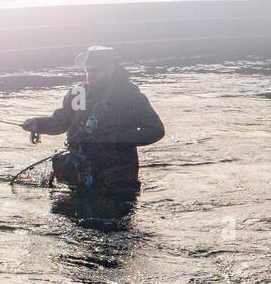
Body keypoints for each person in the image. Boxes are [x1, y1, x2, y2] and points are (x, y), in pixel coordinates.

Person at [21, 46, 164, 191]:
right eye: (87, 71)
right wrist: (39, 124)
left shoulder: (130, 97)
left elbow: (155, 130)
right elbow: (63, 120)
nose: (90, 76)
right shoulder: (79, 94)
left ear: (111, 69)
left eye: (96, 71)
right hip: (82, 174)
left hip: (118, 178)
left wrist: (114, 139)